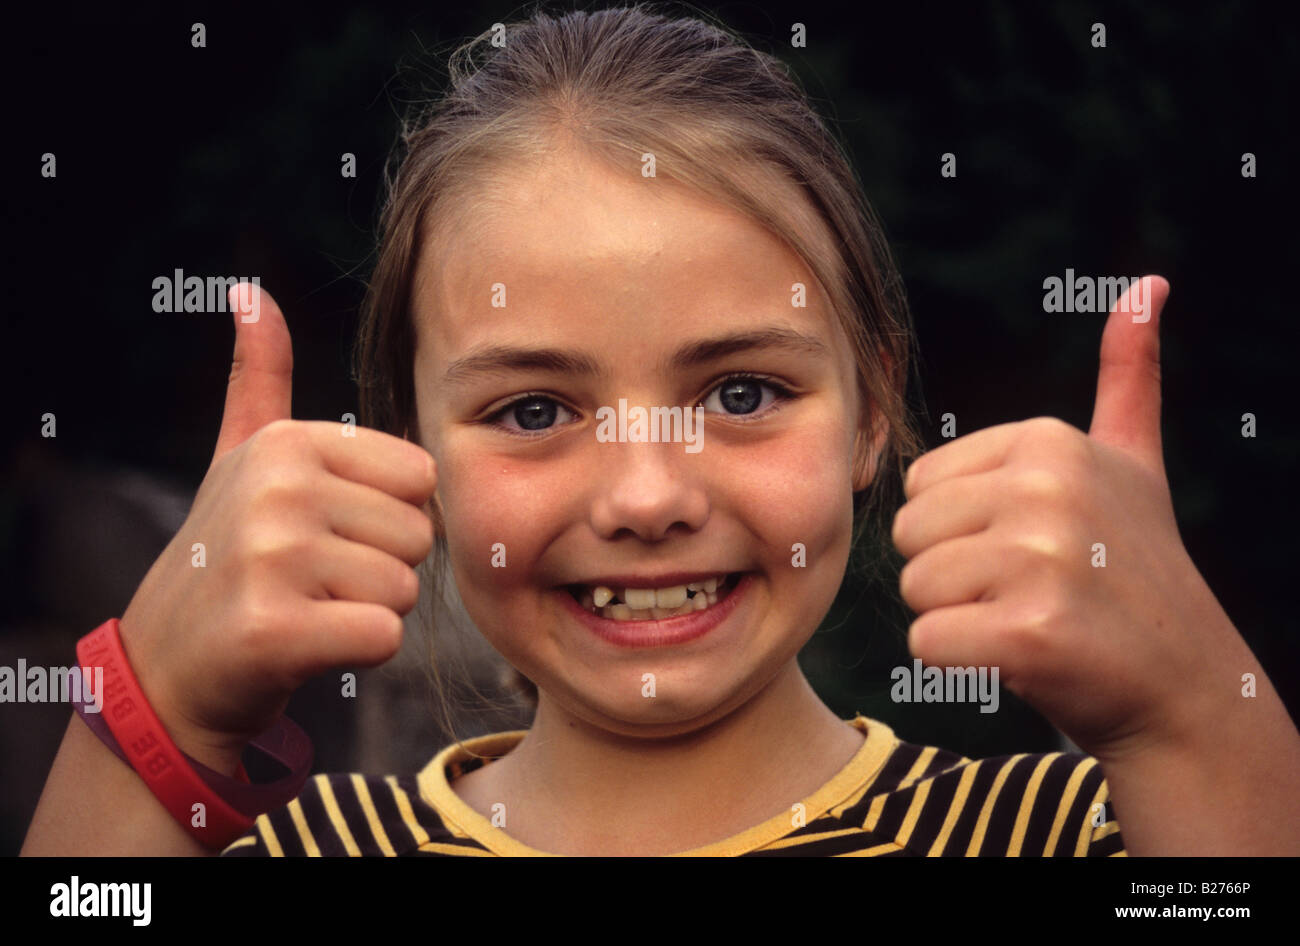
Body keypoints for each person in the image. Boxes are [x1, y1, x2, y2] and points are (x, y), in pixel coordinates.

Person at [23, 4, 1300, 857]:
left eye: (741, 393)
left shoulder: (1086, 838)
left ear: (873, 412)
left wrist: (1195, 713)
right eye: (533, 409)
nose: (644, 496)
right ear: (410, 455)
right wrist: (153, 715)